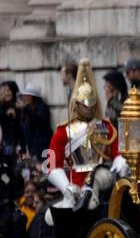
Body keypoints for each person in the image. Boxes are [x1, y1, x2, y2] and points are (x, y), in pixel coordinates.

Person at [46, 61, 129, 209]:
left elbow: (118, 152)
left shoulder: (107, 127)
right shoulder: (63, 130)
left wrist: (120, 161)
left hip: (103, 179)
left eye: (92, 104)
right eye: (85, 105)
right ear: (77, 104)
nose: (89, 108)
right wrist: (65, 186)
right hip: (73, 185)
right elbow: (52, 165)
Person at [17, 85, 53, 161]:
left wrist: (26, 109)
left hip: (43, 148)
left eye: (27, 96)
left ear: (33, 97)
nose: (24, 98)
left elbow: (38, 122)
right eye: (24, 96)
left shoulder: (42, 108)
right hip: (31, 148)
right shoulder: (26, 109)